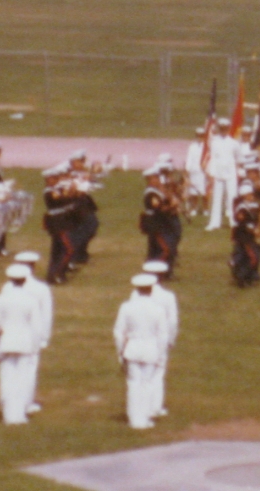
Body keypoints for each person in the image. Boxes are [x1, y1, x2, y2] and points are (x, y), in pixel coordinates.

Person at [113, 274, 169, 430]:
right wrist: (161, 353)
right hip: (150, 348)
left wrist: (120, 352)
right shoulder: (158, 309)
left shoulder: (127, 307)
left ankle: (134, 419)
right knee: (146, 383)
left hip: (132, 347)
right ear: (151, 289)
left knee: (133, 383)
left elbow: (119, 332)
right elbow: (162, 334)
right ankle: (143, 418)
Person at [0, 264, 42, 425]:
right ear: (25, 280)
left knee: (7, 378)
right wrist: (35, 347)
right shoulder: (31, 300)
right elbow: (36, 326)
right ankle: (20, 414)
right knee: (22, 379)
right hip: (25, 342)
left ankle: (8, 414)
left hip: (7, 341)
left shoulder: (1, 298)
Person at [3, 252, 52, 415]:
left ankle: (7, 400)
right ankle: (26, 402)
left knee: (8, 370)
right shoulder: (40, 288)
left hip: (8, 335)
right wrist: (44, 337)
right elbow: (46, 315)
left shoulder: (7, 287)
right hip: (30, 334)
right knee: (28, 370)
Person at [141, 261, 177, 419]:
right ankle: (155, 406)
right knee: (157, 373)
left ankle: (142, 404)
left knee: (141, 375)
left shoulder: (135, 295)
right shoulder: (167, 296)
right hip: (158, 339)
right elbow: (173, 321)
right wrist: (171, 339)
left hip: (140, 337)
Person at [140, 166, 176, 271]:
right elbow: (158, 208)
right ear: (150, 180)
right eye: (155, 178)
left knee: (154, 249)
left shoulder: (157, 191)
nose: (158, 180)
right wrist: (172, 206)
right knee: (165, 249)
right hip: (155, 224)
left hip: (160, 223)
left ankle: (154, 269)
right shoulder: (151, 193)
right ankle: (158, 270)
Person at [205, 119, 239, 231]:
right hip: (218, 173)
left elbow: (238, 158)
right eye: (222, 128)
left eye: (226, 128)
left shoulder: (234, 143)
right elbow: (213, 158)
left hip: (230, 174)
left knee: (232, 198)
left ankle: (234, 222)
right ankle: (214, 222)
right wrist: (211, 173)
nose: (224, 130)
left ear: (228, 128)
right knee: (216, 198)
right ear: (219, 128)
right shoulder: (214, 142)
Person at [230, 183, 260, 287]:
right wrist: (252, 228)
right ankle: (241, 277)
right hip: (243, 236)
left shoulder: (254, 205)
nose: (252, 196)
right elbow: (241, 221)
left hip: (251, 236)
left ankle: (248, 277)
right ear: (245, 195)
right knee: (247, 256)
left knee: (251, 256)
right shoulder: (241, 208)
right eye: (249, 194)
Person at [184, 127, 208, 218]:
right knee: (194, 192)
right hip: (194, 171)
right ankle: (194, 208)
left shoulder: (207, 147)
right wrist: (187, 169)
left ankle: (206, 209)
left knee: (204, 192)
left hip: (203, 171)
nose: (200, 137)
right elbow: (189, 158)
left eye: (201, 136)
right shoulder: (192, 146)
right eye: (198, 135)